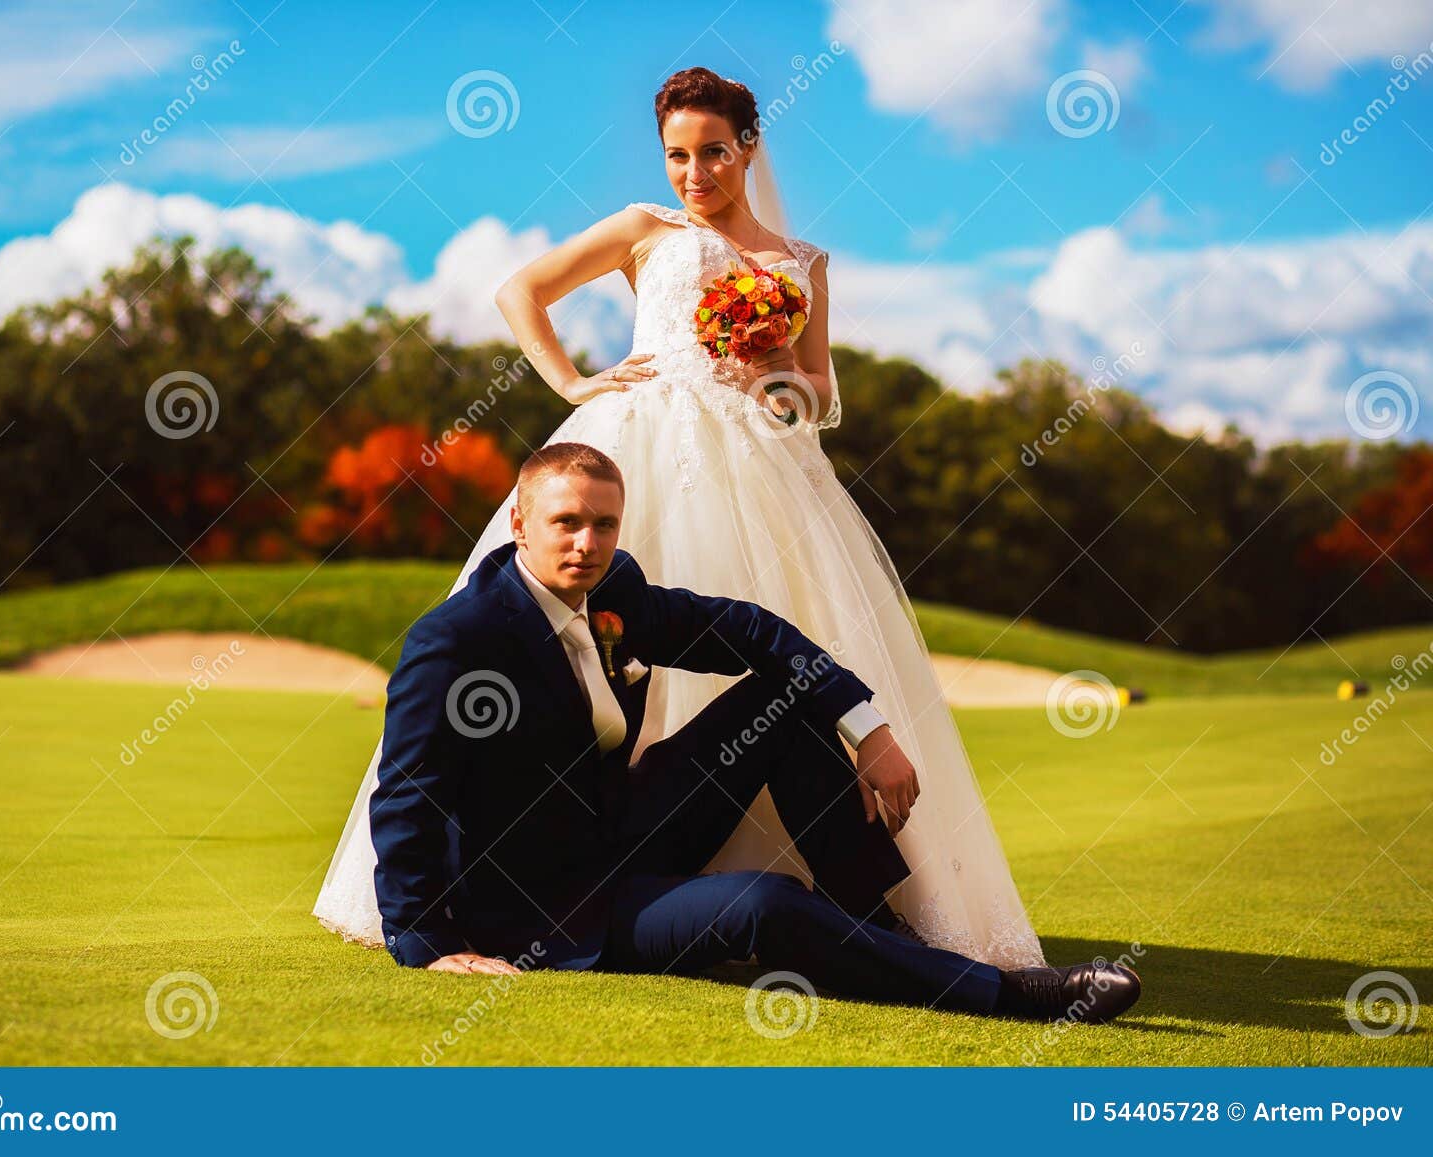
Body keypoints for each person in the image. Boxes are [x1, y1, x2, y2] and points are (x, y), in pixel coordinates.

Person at [317, 66, 1046, 970]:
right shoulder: (644, 230)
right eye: (677, 155)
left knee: (768, 630)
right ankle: (553, 879)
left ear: (749, 149)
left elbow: (821, 395)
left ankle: (855, 905)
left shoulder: (804, 262)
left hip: (761, 462)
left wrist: (777, 373)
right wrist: (573, 383)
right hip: (639, 440)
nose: (694, 173)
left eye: (713, 153)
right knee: (595, 613)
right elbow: (520, 289)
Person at [367, 443, 1140, 1023]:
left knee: (782, 700)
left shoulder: (614, 590)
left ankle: (874, 929)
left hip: (624, 830)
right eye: (565, 523)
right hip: (545, 911)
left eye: (604, 524)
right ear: (519, 523)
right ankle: (1005, 994)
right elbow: (407, 794)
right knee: (762, 903)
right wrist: (425, 942)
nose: (587, 544)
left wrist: (867, 727)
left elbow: (747, 630)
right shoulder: (457, 639)